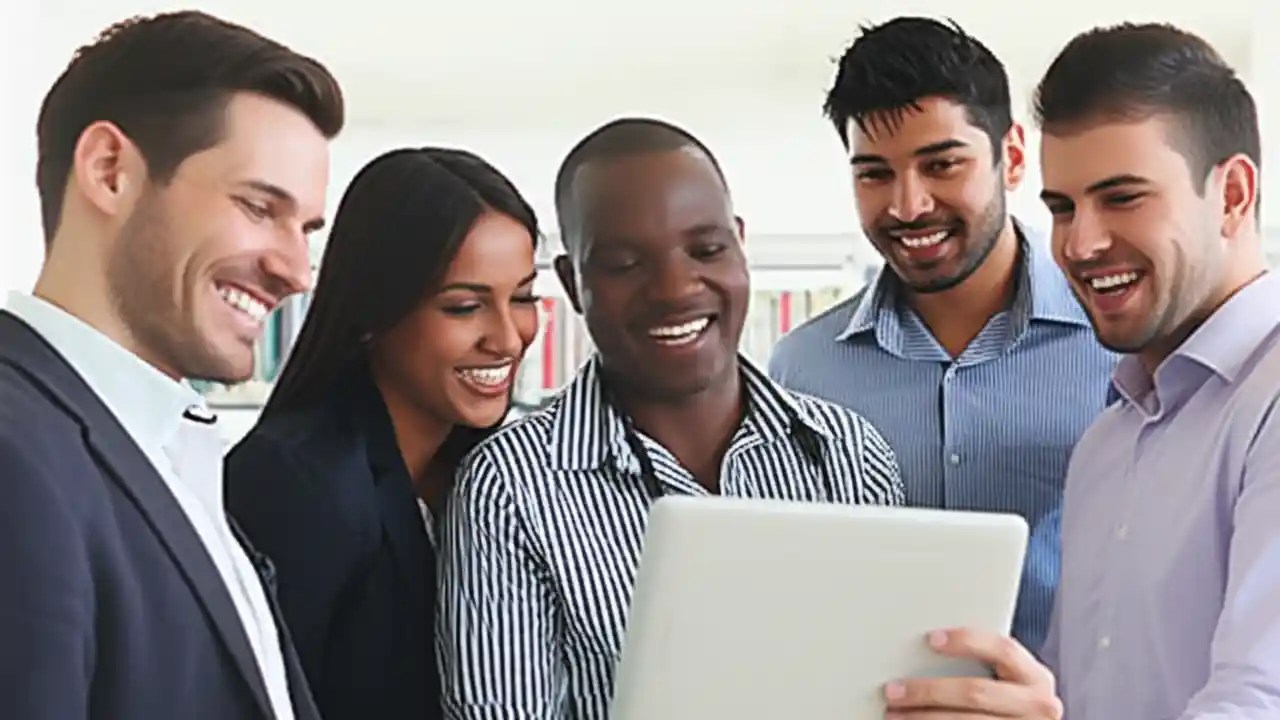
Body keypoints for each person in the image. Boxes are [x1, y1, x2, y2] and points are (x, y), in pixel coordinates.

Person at [435, 118, 906, 720]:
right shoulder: (509, 490)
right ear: (573, 284)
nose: (676, 288)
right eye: (626, 264)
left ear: (739, 244)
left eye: (706, 250)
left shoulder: (849, 454)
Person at [0, 11, 342, 720]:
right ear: (110, 172)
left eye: (305, 228)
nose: (296, 270)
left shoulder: (169, 449)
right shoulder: (15, 453)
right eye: (258, 206)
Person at [767, 17, 1116, 652]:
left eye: (942, 165)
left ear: (1010, 156)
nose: (907, 205)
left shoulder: (1116, 345)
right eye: (873, 174)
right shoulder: (800, 371)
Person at [225, 147, 542, 720]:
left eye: (521, 298)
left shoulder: (498, 473)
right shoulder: (297, 481)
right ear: (375, 313)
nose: (508, 338)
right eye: (466, 306)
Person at [1032, 23, 1280, 718]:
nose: (1080, 243)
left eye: (1122, 197)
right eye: (1062, 208)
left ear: (1232, 194)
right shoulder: (1103, 447)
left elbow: (1259, 702)